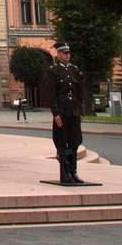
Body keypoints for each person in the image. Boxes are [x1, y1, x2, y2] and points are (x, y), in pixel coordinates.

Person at [43, 41, 85, 184]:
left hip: (73, 111)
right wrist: (56, 114)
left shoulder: (74, 69)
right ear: (58, 54)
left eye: (68, 53)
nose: (67, 55)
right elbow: (51, 94)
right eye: (64, 53)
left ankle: (73, 172)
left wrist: (80, 108)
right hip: (61, 111)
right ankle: (65, 173)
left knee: (75, 141)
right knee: (62, 143)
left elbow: (79, 91)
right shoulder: (53, 71)